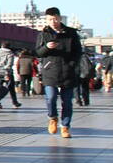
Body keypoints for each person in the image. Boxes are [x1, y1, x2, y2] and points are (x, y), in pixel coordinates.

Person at [34, 7, 82, 138]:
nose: (53, 21)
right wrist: (46, 47)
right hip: (50, 70)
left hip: (68, 71)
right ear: (46, 20)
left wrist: (73, 64)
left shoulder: (71, 33)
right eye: (50, 19)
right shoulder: (43, 34)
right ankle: (53, 117)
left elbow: (78, 51)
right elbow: (38, 52)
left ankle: (65, 126)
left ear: (60, 18)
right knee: (51, 98)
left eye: (55, 18)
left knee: (67, 101)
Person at [0, 41, 21, 108]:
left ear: (2, 46)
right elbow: (9, 64)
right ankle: (14, 103)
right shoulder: (10, 53)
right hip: (7, 73)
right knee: (11, 88)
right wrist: (6, 72)